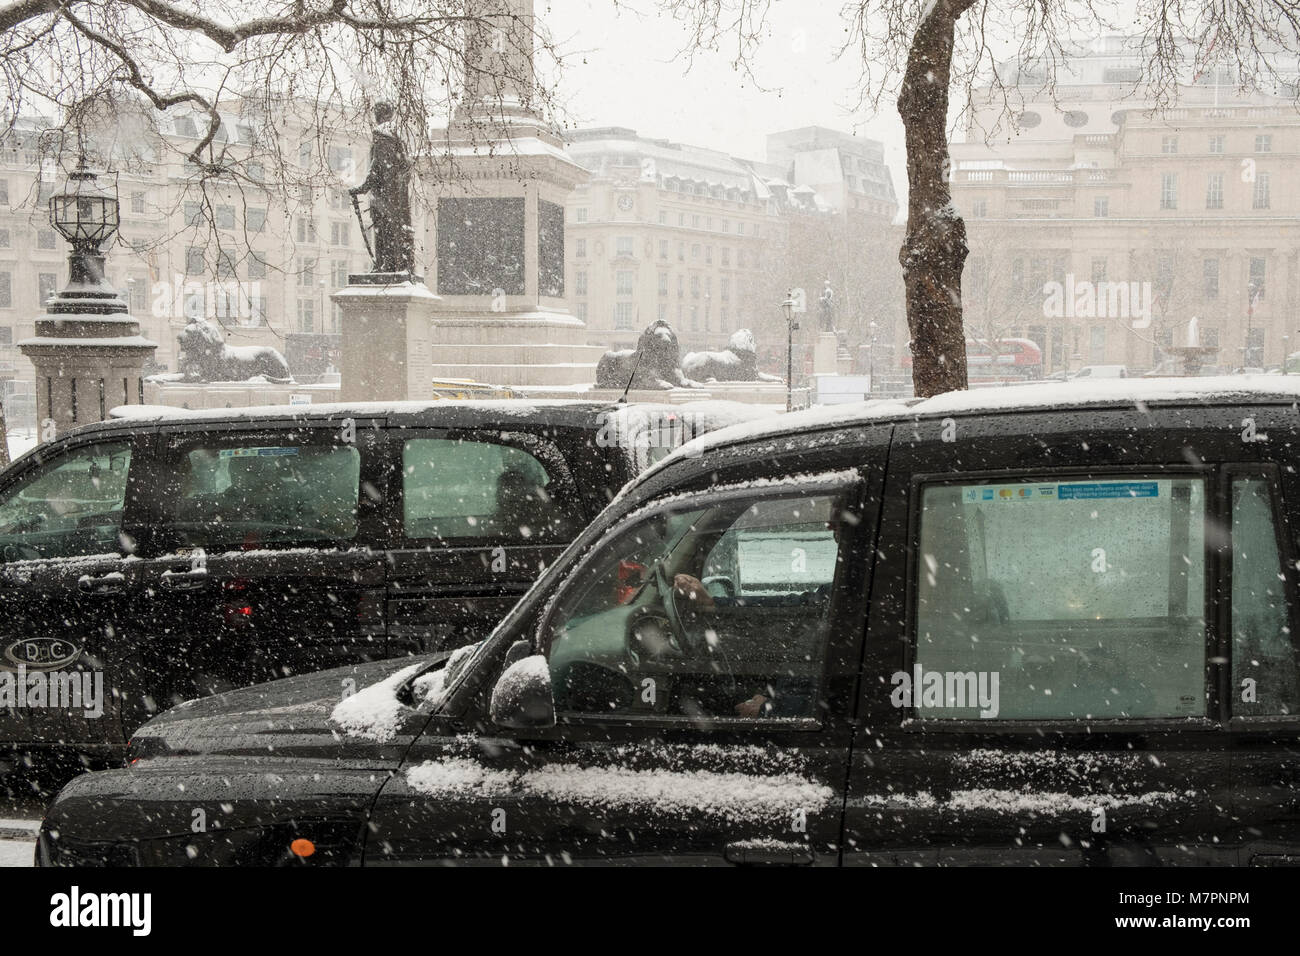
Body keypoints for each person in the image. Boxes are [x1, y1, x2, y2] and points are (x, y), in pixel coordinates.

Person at [349, 102, 414, 274]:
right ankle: (395, 264)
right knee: (394, 230)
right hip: (396, 196)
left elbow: (377, 166)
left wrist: (363, 188)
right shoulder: (398, 137)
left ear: (378, 115)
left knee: (383, 230)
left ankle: (385, 264)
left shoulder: (382, 134)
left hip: (384, 195)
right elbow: (403, 167)